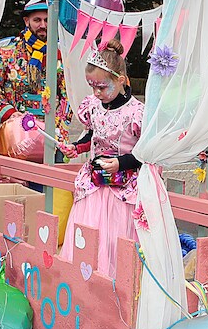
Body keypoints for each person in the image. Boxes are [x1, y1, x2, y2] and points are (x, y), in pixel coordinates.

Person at [58, 40, 144, 277]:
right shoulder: (95, 106)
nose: (96, 93)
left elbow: (146, 153)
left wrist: (121, 162)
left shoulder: (136, 112)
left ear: (121, 79)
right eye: (92, 87)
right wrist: (76, 147)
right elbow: (93, 134)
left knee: (114, 242)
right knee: (88, 238)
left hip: (122, 190)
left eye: (102, 87)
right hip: (94, 185)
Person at [0, 0, 72, 157]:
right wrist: (10, 115)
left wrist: (57, 128)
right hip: (16, 136)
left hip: (51, 138)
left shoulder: (61, 55)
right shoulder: (7, 51)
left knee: (51, 181)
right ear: (26, 21)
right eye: (37, 20)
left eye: (47, 20)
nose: (43, 25)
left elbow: (69, 95)